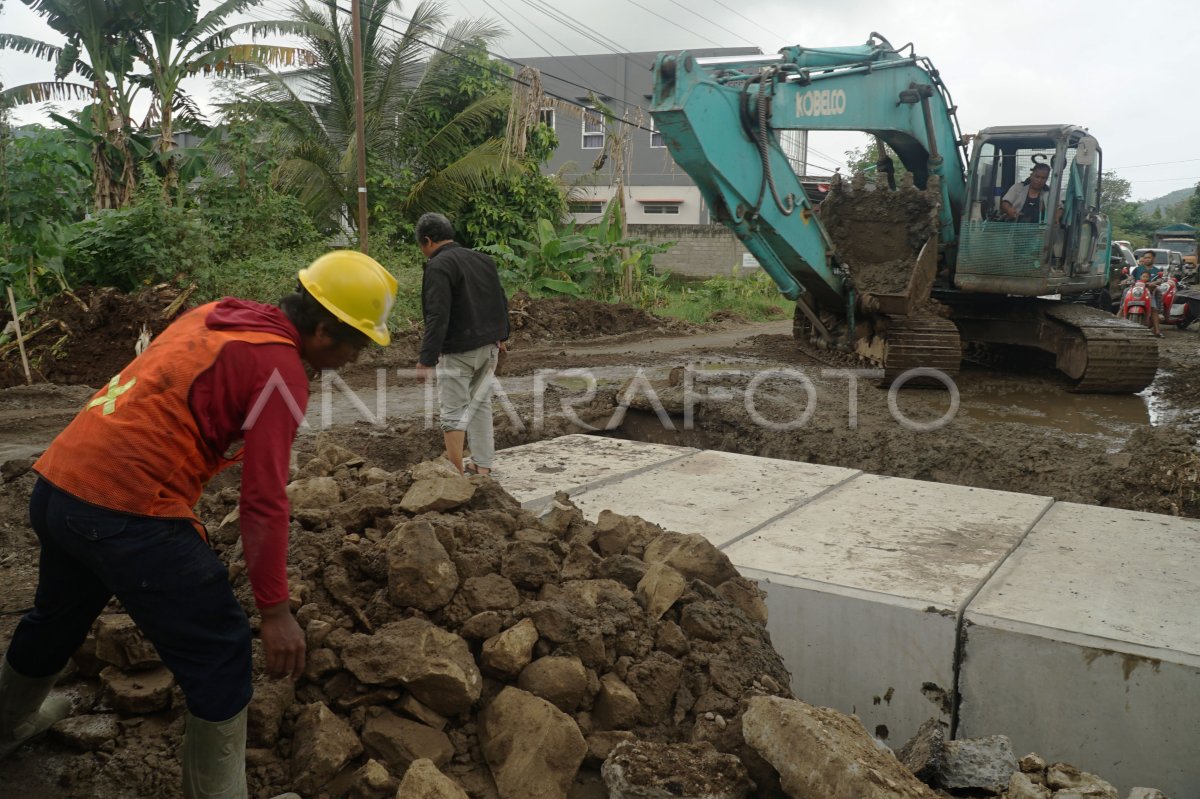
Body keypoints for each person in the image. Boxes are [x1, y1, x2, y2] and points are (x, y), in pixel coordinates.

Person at [0, 251, 397, 798]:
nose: (356, 358)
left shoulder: (218, 316)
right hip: (126, 509)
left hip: (60, 488)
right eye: (357, 343)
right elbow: (262, 500)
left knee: (57, 616)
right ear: (325, 330)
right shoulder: (281, 372)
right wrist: (275, 611)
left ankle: (8, 723)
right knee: (220, 646)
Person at [414, 212, 510, 476]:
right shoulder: (482, 259)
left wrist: (427, 358)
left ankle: (455, 473)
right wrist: (502, 336)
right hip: (489, 347)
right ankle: (483, 466)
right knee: (480, 405)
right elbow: (501, 301)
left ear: (428, 240)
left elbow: (437, 315)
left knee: (453, 412)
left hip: (458, 351)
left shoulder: (438, 266)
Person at [1132, 251, 1165, 337]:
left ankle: (1157, 331)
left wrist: (1155, 282)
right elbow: (1131, 278)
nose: (1146, 259)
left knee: (1154, 309)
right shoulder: (1138, 269)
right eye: (1145, 258)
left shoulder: (1156, 271)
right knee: (1123, 306)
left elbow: (1160, 280)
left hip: (1148, 293)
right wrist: (1127, 280)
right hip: (1136, 292)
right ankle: (1117, 325)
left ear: (1153, 259)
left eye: (1149, 258)